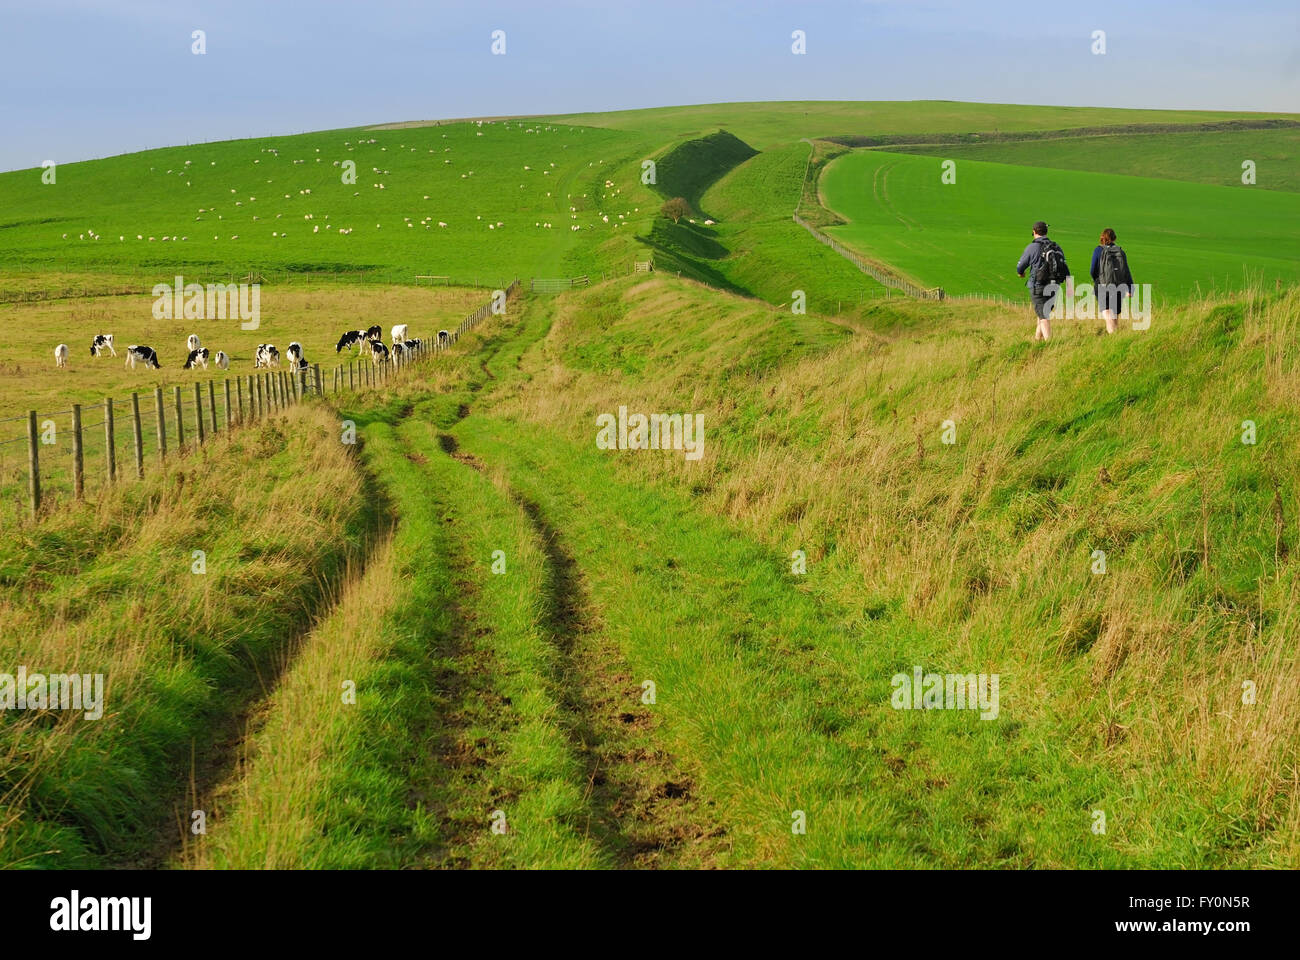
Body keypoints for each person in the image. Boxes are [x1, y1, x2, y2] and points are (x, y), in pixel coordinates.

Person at [1016, 221, 1070, 341]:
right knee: (1042, 314)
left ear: (1034, 232)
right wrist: (1069, 287)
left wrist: (1021, 273)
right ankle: (1037, 341)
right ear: (1046, 232)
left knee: (1043, 316)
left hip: (1038, 286)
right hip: (1054, 286)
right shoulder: (1056, 247)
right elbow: (1065, 267)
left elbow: (1020, 267)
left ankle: (1049, 343)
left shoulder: (1032, 247)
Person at [1090, 228, 1133, 334]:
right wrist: (1130, 287)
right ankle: (1116, 338)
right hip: (1119, 286)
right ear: (1115, 238)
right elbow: (1126, 270)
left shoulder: (1098, 250)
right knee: (1114, 314)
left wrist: (1098, 279)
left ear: (1102, 237)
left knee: (1107, 312)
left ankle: (1113, 335)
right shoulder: (1120, 251)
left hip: (1102, 285)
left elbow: (1092, 270)